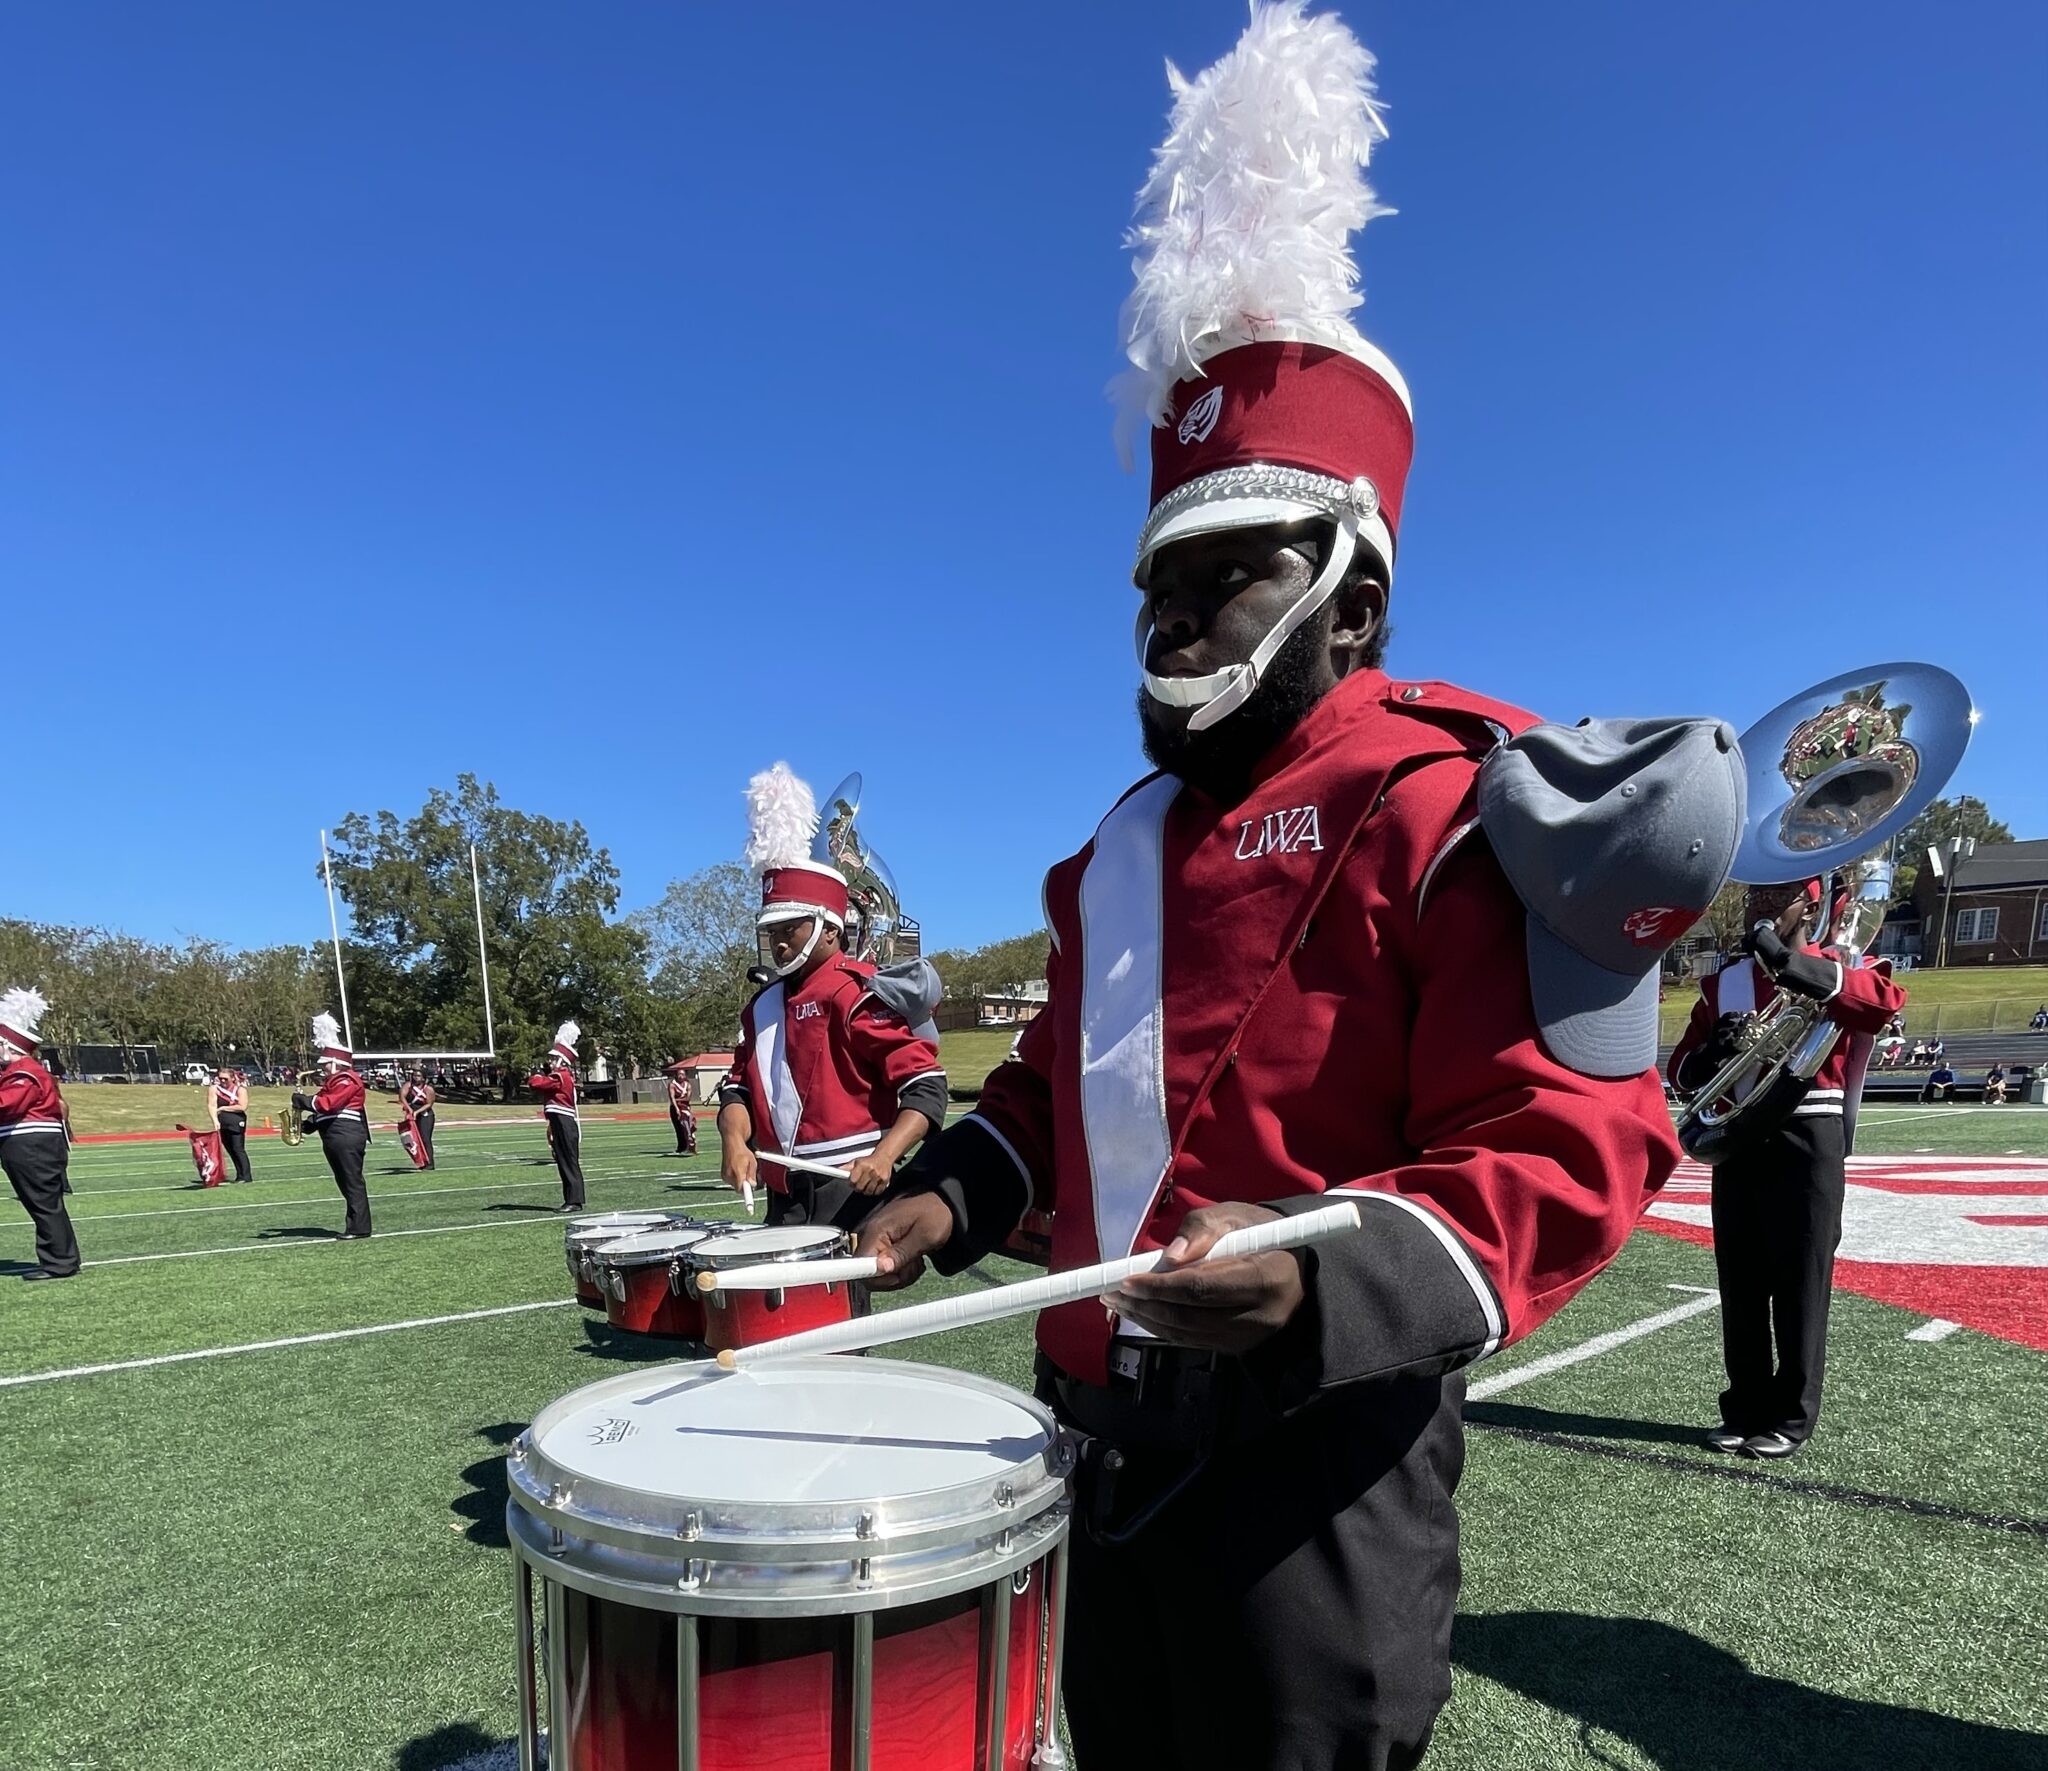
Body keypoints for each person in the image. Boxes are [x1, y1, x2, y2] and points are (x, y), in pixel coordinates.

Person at [854, 14, 1738, 1765]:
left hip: (1317, 1466)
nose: (1173, 617)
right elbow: (1056, 1102)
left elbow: (1564, 1149)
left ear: (1348, 591)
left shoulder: (1457, 803)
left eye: (1229, 569)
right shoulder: (1115, 846)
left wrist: (1311, 1286)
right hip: (1094, 1440)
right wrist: (952, 1189)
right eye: (1155, 582)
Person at [1671, 881, 1906, 1460]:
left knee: (1801, 1280)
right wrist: (1711, 1056)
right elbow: (1680, 1072)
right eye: (1758, 898)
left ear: (1815, 904)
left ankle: (1792, 1417)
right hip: (1739, 1134)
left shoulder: (1844, 967)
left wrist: (1791, 964)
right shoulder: (1723, 983)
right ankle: (1745, 1407)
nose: (1763, 909)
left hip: (1809, 1131)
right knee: (1742, 1281)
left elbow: (1882, 1006)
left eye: (1780, 898)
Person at [717, 763, 948, 1236]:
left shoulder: (854, 994)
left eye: (791, 928)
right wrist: (734, 1142)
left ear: (828, 927)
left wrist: (885, 1156)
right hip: (784, 1195)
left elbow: (926, 1085)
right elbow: (737, 1088)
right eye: (772, 931)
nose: (779, 943)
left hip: (852, 1195)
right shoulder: (761, 1007)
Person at [0, 987, 81, 1280]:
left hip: (31, 1145)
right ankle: (58, 1260)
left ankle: (59, 1262)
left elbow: (6, 1104)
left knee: (44, 1205)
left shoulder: (24, 1072)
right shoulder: (20, 1071)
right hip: (29, 1144)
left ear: (7, 1045)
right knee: (42, 1205)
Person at [299, 1012, 371, 1238]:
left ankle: (358, 1228)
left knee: (352, 1182)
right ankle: (356, 1226)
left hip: (346, 1135)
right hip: (335, 1135)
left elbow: (328, 1104)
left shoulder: (347, 1079)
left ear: (335, 1063)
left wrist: (303, 1101)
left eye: (326, 1064)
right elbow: (326, 1109)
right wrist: (308, 1125)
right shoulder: (333, 1082)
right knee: (345, 1181)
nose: (322, 1069)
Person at [528, 1022, 585, 1211]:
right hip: (559, 1121)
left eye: (553, 1059)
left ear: (561, 1061)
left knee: (568, 1161)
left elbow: (537, 1084)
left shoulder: (561, 1076)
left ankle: (574, 1201)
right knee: (562, 1160)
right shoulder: (559, 1075)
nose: (550, 1062)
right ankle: (571, 1199)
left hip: (565, 1122)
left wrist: (535, 1075)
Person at [213, 1066, 254, 1183]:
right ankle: (239, 1175)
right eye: (221, 1078)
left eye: (225, 1079)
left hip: (236, 1121)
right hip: (223, 1122)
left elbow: (242, 1106)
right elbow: (211, 1105)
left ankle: (246, 1176)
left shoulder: (240, 1090)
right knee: (230, 1149)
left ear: (232, 1078)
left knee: (238, 1148)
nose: (223, 1081)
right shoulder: (217, 1089)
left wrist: (223, 1108)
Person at [400, 1069, 437, 1168]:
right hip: (413, 1114)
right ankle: (421, 1161)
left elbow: (429, 1104)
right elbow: (402, 1097)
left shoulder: (428, 1089)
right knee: (415, 1140)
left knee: (425, 1139)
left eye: (419, 1076)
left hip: (425, 1115)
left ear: (424, 1078)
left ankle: (429, 1163)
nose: (416, 1077)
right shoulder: (408, 1086)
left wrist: (417, 1112)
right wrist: (409, 1109)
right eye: (415, 1075)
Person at [662, 1060, 699, 1157]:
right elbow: (672, 1098)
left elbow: (688, 1098)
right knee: (678, 1128)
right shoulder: (672, 1084)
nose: (680, 1076)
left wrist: (680, 1100)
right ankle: (681, 1146)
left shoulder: (688, 1084)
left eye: (682, 1074)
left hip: (685, 1107)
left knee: (687, 1127)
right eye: (679, 1074)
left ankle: (689, 1145)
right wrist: (677, 1107)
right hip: (675, 1108)